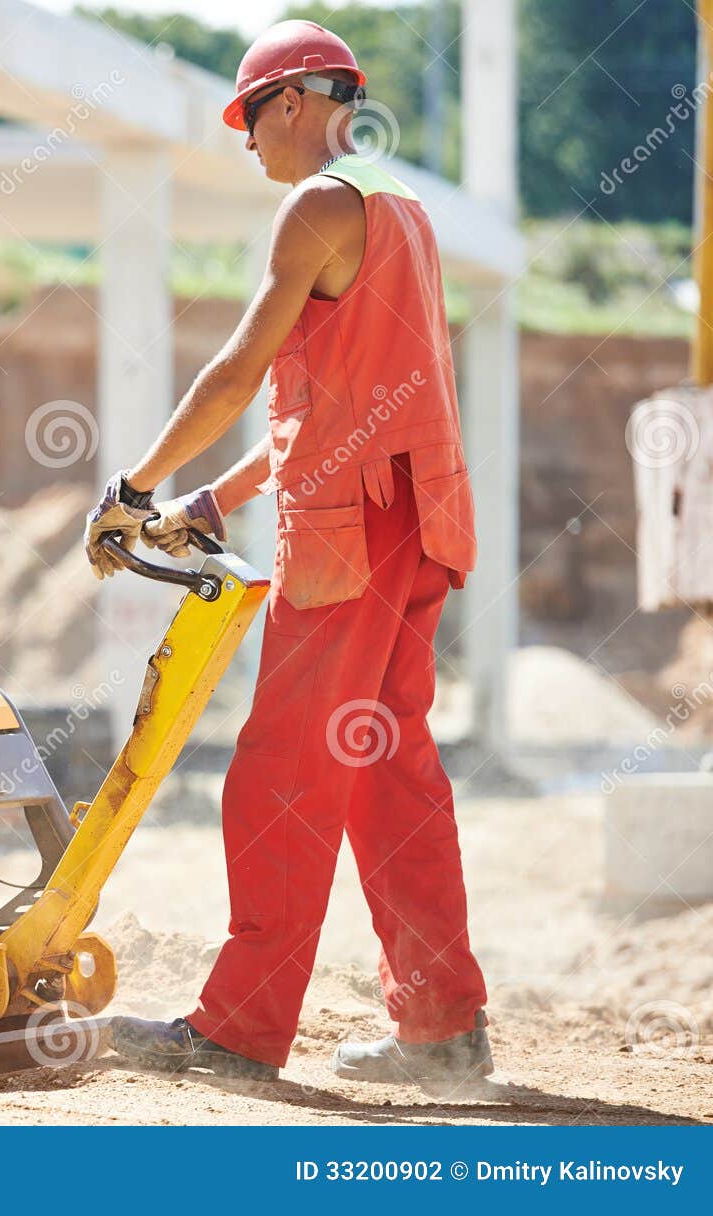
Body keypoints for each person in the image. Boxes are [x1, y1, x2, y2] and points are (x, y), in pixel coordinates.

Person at [84, 19, 491, 1088]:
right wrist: (209, 500)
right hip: (415, 525)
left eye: (251, 114)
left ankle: (236, 1030)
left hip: (349, 539)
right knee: (383, 772)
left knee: (278, 772)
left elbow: (233, 372)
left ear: (300, 101)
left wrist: (129, 488)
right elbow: (327, 407)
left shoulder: (313, 206)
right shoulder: (398, 207)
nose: (245, 139)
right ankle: (443, 1028)